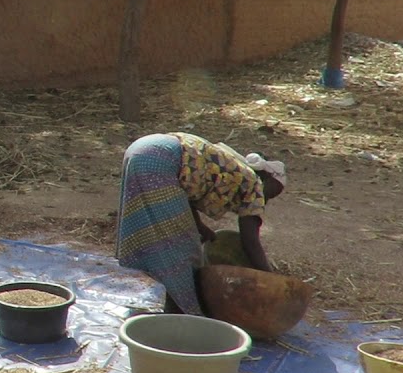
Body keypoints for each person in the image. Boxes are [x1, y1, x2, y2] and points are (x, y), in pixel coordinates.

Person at [115, 132, 286, 315]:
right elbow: (250, 241)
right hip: (159, 162)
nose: (268, 199)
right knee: (184, 248)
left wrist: (199, 226)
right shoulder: (255, 185)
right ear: (267, 178)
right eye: (274, 191)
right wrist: (272, 280)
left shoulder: (231, 166)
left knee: (163, 235)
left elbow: (185, 186)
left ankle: (176, 307)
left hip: (143, 150)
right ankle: (183, 312)